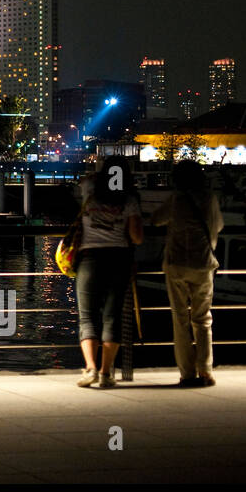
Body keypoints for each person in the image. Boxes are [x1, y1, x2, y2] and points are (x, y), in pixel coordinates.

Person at [74, 156, 144, 388]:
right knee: (112, 316)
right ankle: (106, 373)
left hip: (89, 258)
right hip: (118, 258)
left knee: (87, 315)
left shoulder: (90, 189)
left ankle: (90, 368)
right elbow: (137, 237)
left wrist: (96, 176)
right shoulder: (130, 199)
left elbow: (83, 179)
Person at [153, 160, 223, 387]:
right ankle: (206, 371)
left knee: (180, 319)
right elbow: (218, 225)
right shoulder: (209, 198)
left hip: (176, 264)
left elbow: (155, 219)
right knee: (203, 320)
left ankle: (187, 372)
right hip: (202, 263)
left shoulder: (176, 199)